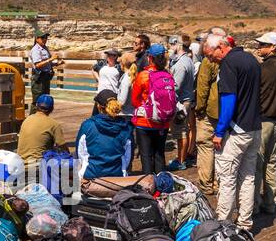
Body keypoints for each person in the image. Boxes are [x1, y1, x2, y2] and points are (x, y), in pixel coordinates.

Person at [203, 32, 261, 231]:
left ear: (220, 46)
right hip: (254, 127)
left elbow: (228, 101)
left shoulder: (228, 64)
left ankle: (224, 223)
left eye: (211, 55)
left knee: (226, 179)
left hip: (236, 130)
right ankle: (245, 222)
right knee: (248, 177)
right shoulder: (251, 59)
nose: (211, 60)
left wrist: (219, 131)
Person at [254, 32, 276, 219]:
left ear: (273, 47)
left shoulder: (264, 68)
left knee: (257, 165)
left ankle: (255, 205)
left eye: (263, 45)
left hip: (263, 121)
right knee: (272, 164)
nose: (259, 47)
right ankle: (270, 203)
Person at [131, 43, 176, 175]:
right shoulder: (168, 74)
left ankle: (149, 188)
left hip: (144, 122)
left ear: (150, 58)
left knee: (146, 156)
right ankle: (161, 185)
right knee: (159, 155)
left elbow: (134, 100)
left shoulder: (143, 75)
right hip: (163, 121)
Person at [76, 90, 134, 179]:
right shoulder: (125, 127)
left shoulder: (87, 125)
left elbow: (80, 152)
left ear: (98, 106)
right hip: (117, 177)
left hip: (90, 176)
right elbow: (127, 157)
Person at [194, 33, 223, 193]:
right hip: (223, 110)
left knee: (205, 146)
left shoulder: (207, 62)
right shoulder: (227, 59)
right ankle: (218, 183)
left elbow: (203, 87)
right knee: (220, 148)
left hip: (210, 110)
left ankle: (207, 184)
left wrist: (199, 108)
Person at [16, 93, 68, 164]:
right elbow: (63, 147)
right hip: (37, 164)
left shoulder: (27, 120)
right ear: (52, 109)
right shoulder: (54, 124)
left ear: (37, 106)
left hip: (20, 162)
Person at [171, 34, 197, 168]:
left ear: (179, 45)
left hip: (181, 102)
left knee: (181, 131)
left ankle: (181, 161)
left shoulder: (181, 64)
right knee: (184, 130)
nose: (171, 47)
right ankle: (182, 158)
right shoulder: (188, 60)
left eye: (173, 44)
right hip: (187, 100)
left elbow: (176, 86)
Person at [28, 32, 55, 105]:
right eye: (42, 38)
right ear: (37, 39)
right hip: (39, 79)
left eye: (46, 38)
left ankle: (43, 116)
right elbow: (37, 65)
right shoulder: (36, 50)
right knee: (37, 101)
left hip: (46, 77)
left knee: (45, 100)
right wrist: (50, 60)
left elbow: (48, 63)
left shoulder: (45, 48)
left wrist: (58, 63)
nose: (45, 39)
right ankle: (33, 116)